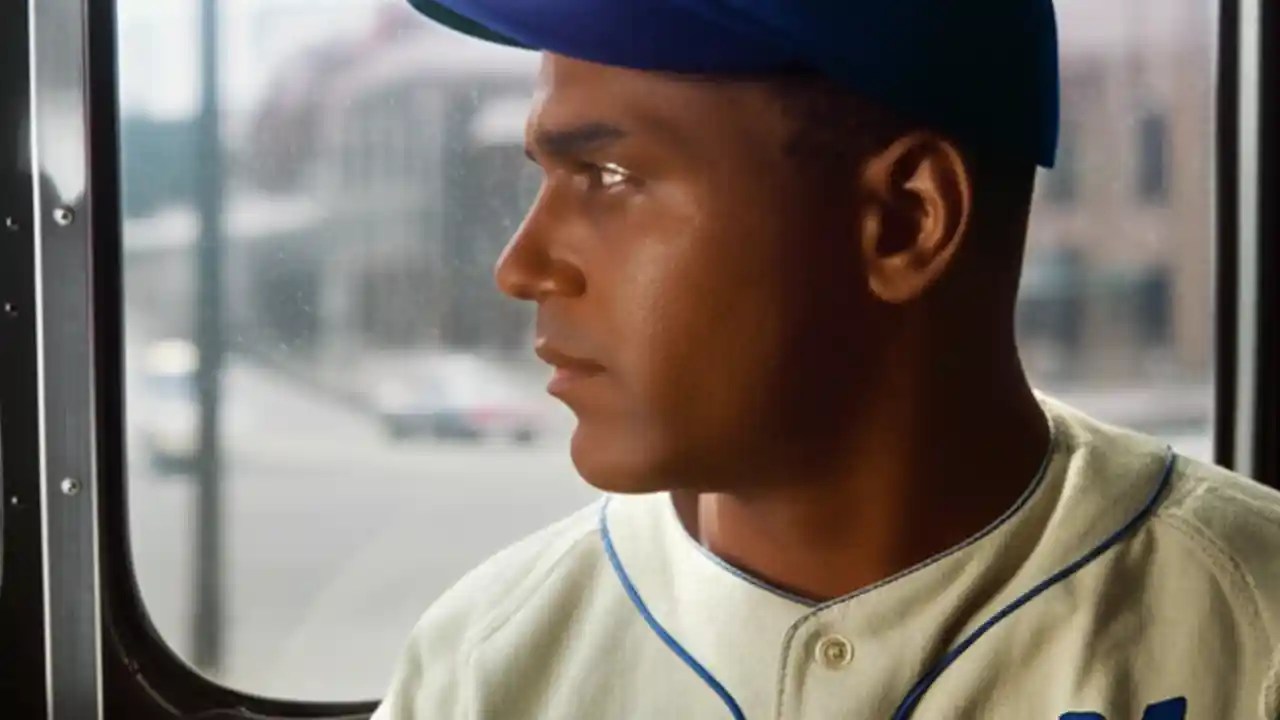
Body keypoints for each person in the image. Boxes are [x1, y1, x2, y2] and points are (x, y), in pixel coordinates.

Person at [374, 1, 1280, 718]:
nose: (520, 265)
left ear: (905, 220)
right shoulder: (484, 662)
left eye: (609, 178)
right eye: (544, 178)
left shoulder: (1255, 628)